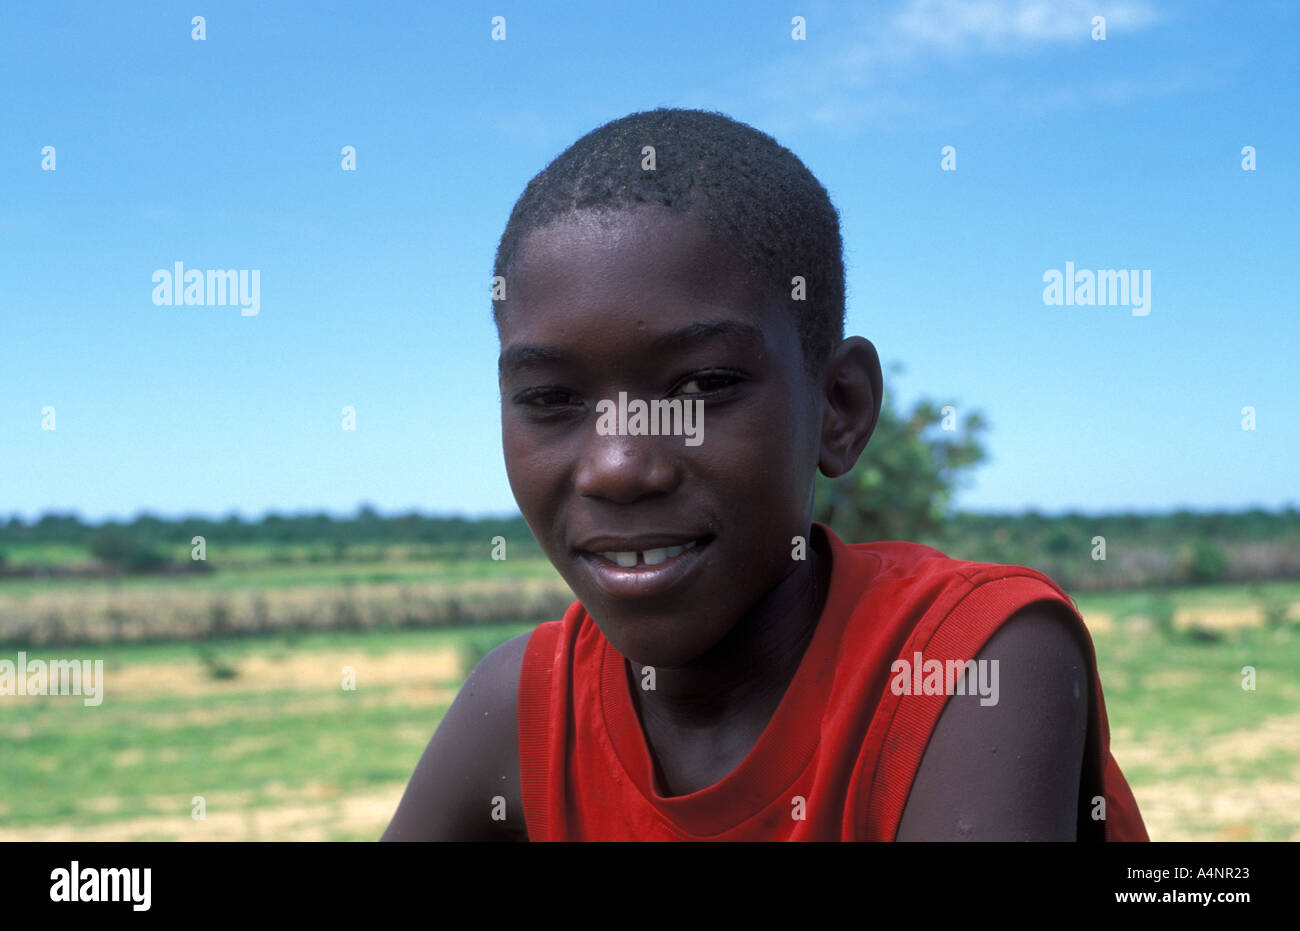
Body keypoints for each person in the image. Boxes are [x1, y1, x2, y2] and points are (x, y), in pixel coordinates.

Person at [381, 108, 1148, 841]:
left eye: (703, 386)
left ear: (839, 407)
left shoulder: (965, 661)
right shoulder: (526, 707)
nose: (618, 467)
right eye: (550, 398)